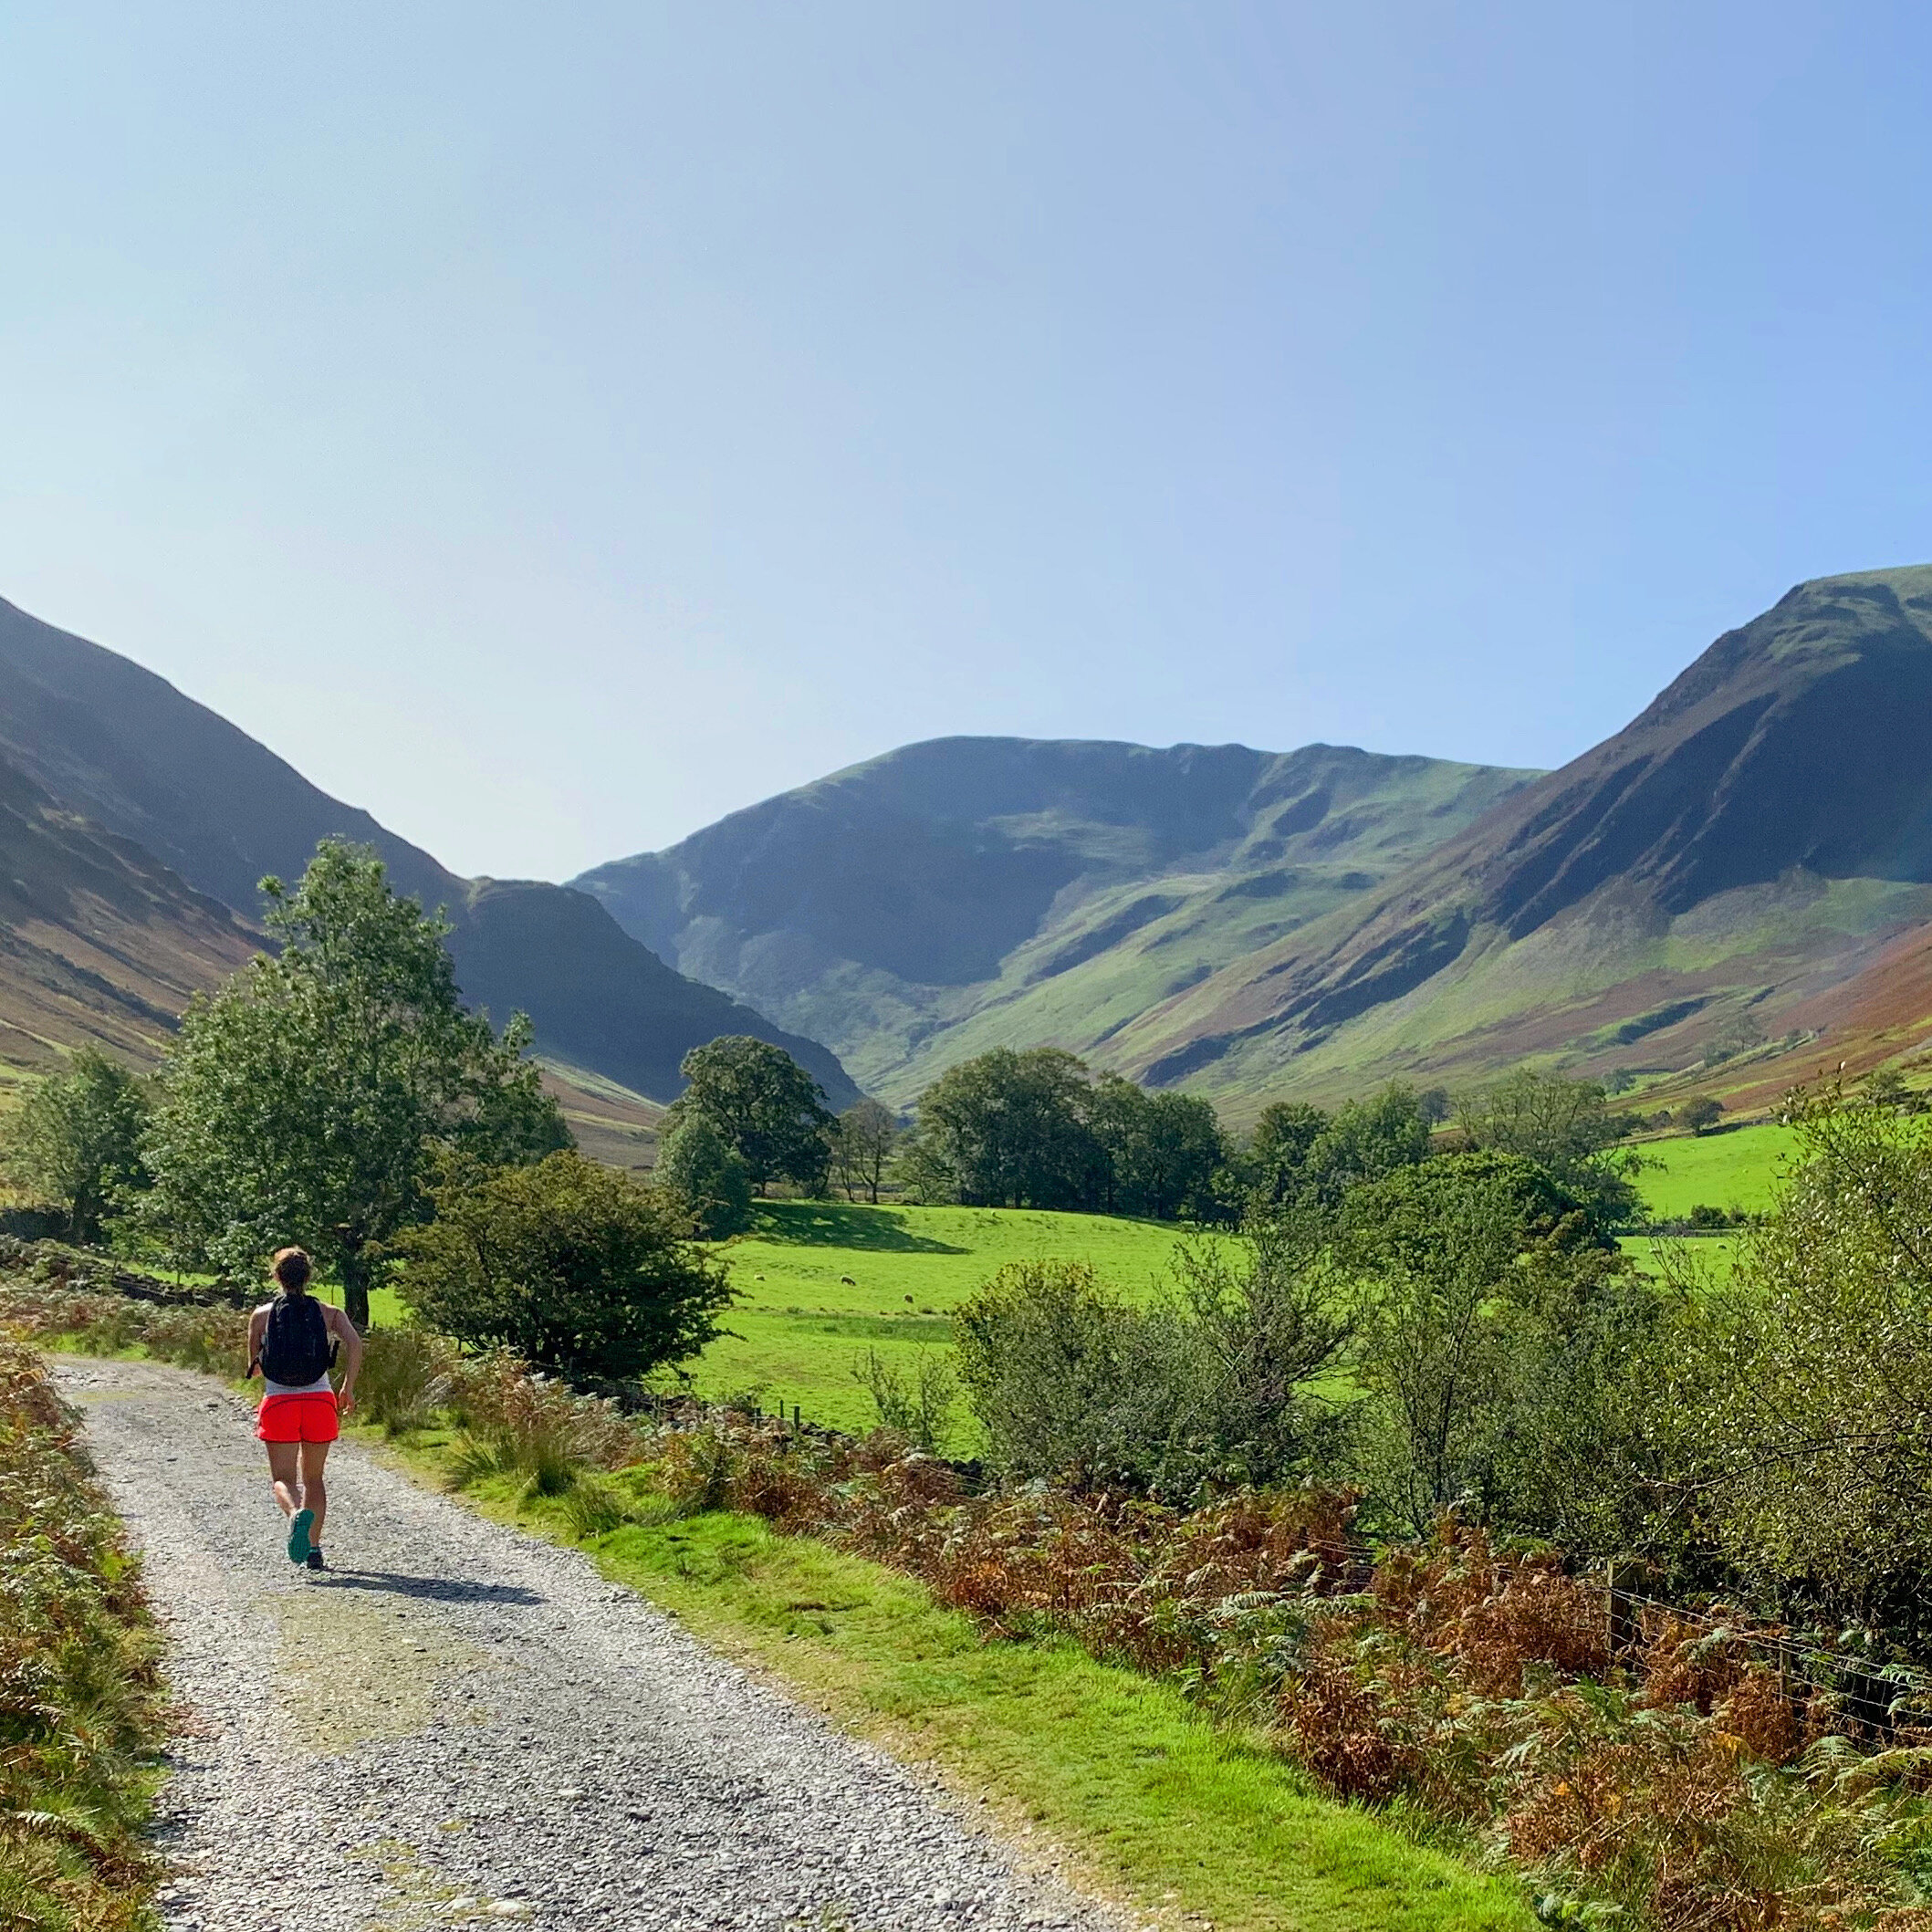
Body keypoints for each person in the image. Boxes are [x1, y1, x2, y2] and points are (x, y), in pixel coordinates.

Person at [246, 1247, 361, 1571]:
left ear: (277, 1276)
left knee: (283, 1479)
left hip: (279, 1402)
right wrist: (347, 1387)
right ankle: (313, 1549)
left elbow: (254, 1368)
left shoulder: (261, 1316)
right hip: (319, 1401)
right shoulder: (329, 1313)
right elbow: (355, 1343)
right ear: (309, 1277)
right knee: (314, 1478)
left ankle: (295, 1513)